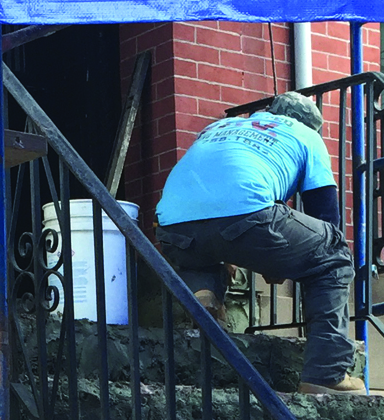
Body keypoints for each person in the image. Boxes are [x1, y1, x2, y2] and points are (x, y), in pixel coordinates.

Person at [155, 91, 364, 393]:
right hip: (245, 215)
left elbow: (213, 199)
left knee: (203, 242)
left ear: (269, 111)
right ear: (311, 124)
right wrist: (285, 260)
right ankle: (326, 374)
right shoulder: (306, 135)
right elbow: (325, 217)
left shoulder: (219, 127)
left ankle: (204, 293)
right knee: (334, 254)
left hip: (172, 226)